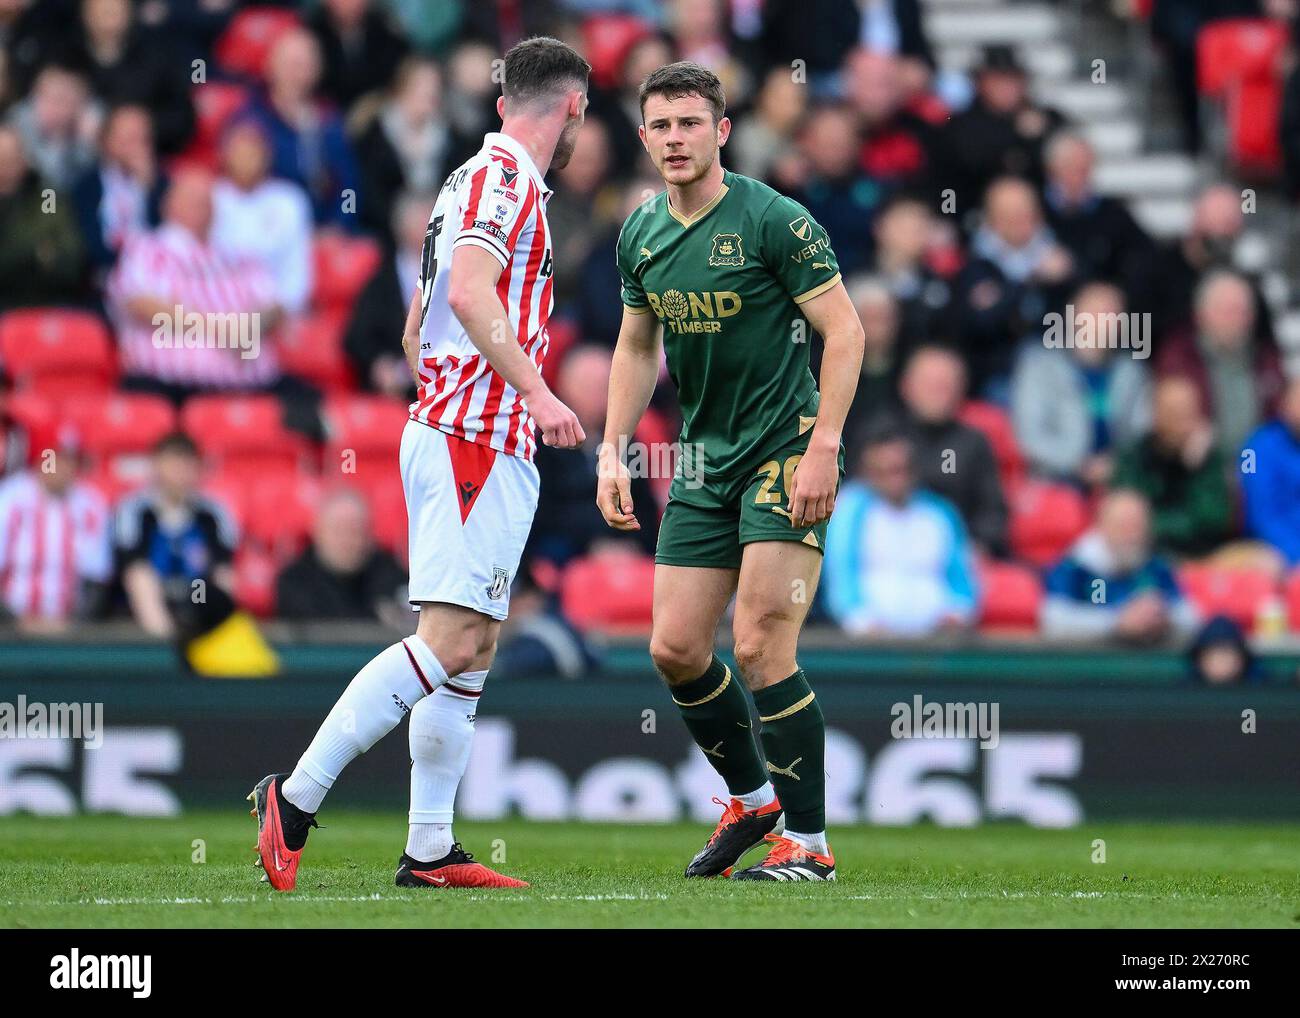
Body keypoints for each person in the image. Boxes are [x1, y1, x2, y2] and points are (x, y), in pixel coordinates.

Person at [249, 36, 591, 893]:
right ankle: (293, 799)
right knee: (450, 639)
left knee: (472, 649)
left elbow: (432, 301)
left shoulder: (471, 176)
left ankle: (430, 848)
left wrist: (422, 340)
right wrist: (541, 394)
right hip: (475, 434)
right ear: (573, 109)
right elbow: (472, 292)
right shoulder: (508, 181)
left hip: (473, 431)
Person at [598, 62, 866, 881]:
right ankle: (753, 800)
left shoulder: (773, 220)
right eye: (661, 126)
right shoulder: (640, 233)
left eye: (690, 123)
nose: (675, 139)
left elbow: (846, 333)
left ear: (721, 131)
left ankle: (812, 848)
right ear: (644, 138)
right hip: (704, 460)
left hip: (786, 449)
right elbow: (638, 344)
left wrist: (824, 445)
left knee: (758, 645)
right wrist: (612, 446)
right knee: (676, 648)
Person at [824, 428, 978, 637]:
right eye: (884, 471)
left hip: (936, 643)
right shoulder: (849, 510)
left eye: (900, 469)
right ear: (868, 471)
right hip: (869, 643)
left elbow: (961, 576)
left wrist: (958, 613)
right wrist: (860, 620)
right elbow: (840, 574)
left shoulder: (940, 513)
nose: (894, 479)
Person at [1010, 281, 1151, 486]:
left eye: (1114, 314)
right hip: (1055, 480)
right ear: (1072, 316)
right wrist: (1078, 464)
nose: (1106, 321)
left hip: (1118, 480)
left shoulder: (1131, 371)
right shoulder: (1039, 366)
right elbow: (1029, 435)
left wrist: (1117, 465)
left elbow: (1141, 433)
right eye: (1097, 313)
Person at [115, 432, 238, 640]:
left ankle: (216, 637)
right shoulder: (136, 511)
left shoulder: (211, 514)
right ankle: (163, 642)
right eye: (173, 463)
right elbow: (132, 564)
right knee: (141, 578)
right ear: (156, 465)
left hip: (196, 593)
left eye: (186, 464)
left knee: (223, 579)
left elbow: (220, 565)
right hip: (151, 596)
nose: (179, 471)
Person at [891, 345, 1009, 556]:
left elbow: (992, 511)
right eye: (929, 385)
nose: (937, 394)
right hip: (890, 552)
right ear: (905, 386)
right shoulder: (883, 437)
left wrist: (978, 546)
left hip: (957, 556)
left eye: (944, 386)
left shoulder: (974, 443)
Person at [1041, 488, 1198, 643]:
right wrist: (1117, 622)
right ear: (1102, 526)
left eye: (1137, 526)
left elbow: (1191, 618)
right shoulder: (1077, 568)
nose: (1131, 535)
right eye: (1123, 526)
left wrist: (1163, 617)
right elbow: (1054, 621)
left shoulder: (1154, 568)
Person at [0, 421, 111, 633]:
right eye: (55, 459)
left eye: (71, 460)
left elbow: (96, 580)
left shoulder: (91, 505)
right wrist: (13, 622)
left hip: (68, 629)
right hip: (8, 628)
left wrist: (74, 625)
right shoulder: (9, 500)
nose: (63, 468)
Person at [1111, 376, 1233, 559]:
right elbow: (1128, 519)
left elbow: (1215, 519)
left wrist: (1194, 469)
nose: (1183, 422)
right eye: (1174, 413)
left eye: (1189, 412)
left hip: (1208, 555)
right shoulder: (1133, 457)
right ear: (1155, 414)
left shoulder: (1210, 457)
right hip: (1147, 557)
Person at [275, 488, 406, 623]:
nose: (347, 540)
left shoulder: (391, 575)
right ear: (317, 531)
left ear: (370, 534)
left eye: (355, 530)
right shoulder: (295, 581)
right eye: (338, 530)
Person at [1241, 377, 1300, 564]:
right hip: (1274, 551)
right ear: (1284, 404)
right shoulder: (1254, 448)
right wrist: (1295, 554)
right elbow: (1259, 516)